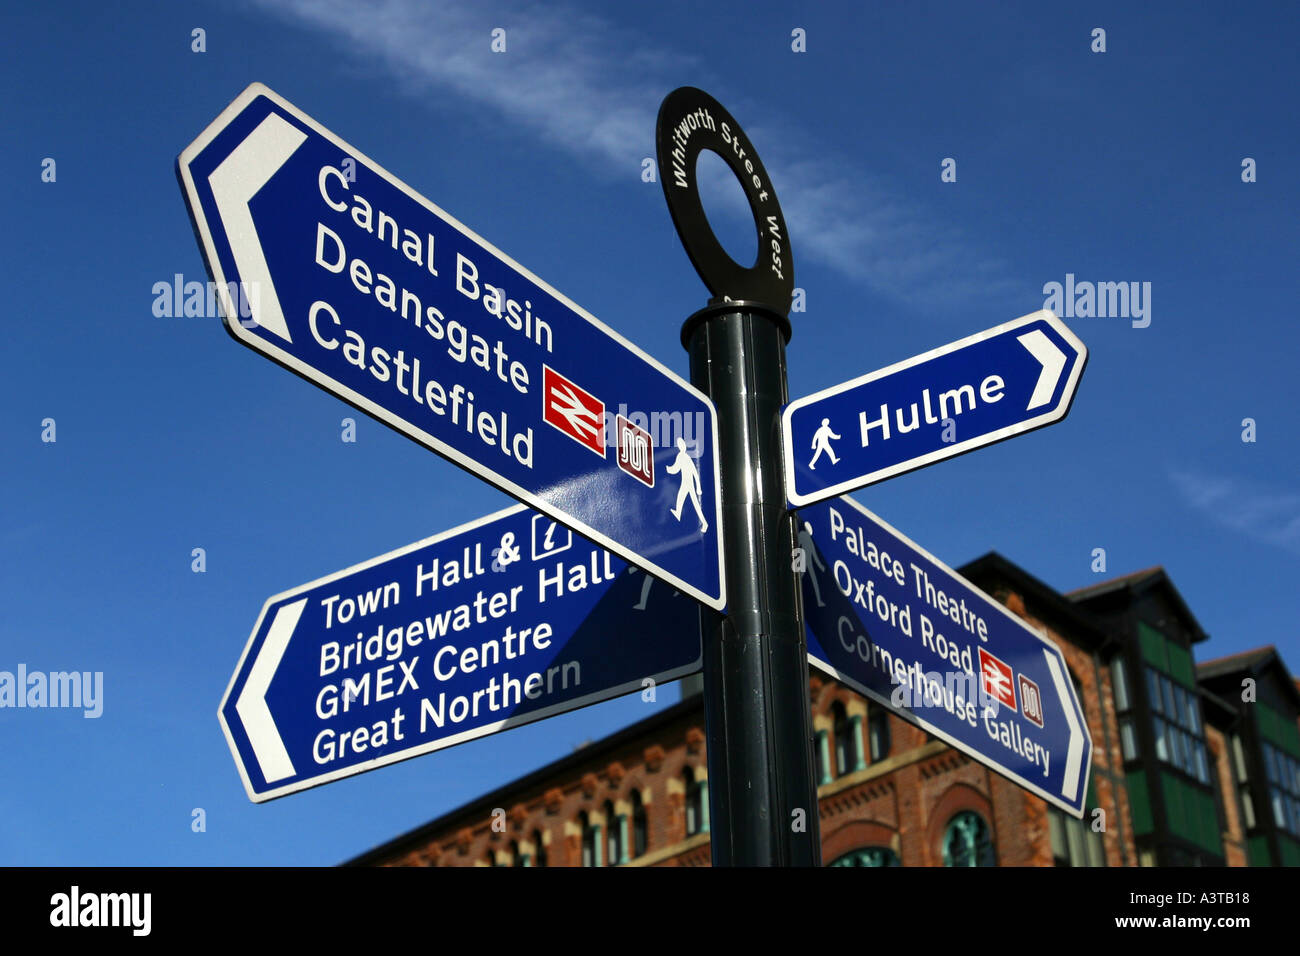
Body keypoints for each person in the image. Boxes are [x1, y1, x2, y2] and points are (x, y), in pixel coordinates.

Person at [666, 438, 708, 534]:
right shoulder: (683, 456)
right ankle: (678, 512)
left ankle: (705, 523)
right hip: (685, 483)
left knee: (696, 504)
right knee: (681, 496)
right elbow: (677, 468)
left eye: (681, 444)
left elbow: (693, 472)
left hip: (688, 483)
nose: (681, 446)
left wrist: (699, 487)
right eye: (679, 445)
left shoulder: (683, 457)